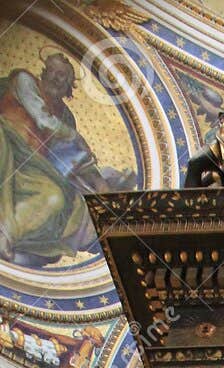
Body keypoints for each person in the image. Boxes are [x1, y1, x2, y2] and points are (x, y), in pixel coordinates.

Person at [0, 52, 135, 266]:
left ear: (69, 86)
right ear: (43, 73)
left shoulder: (66, 117)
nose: (55, 78)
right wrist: (75, 137)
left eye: (62, 76)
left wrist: (97, 180)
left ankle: (5, 236)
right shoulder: (25, 81)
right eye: (52, 71)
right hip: (6, 142)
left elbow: (68, 157)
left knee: (55, 197)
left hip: (34, 168)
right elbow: (43, 120)